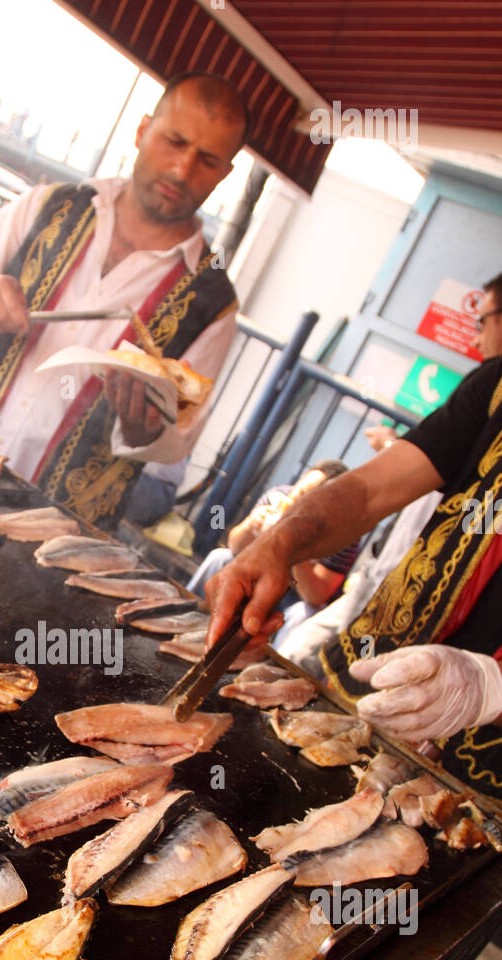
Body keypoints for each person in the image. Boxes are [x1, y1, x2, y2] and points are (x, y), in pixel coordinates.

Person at [0, 72, 247, 530]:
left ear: (225, 174)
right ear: (142, 132)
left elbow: (174, 442)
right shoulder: (52, 207)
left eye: (207, 160)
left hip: (53, 543)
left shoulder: (213, 303)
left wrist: (141, 425)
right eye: (174, 142)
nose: (182, 169)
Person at [205, 271, 502, 793]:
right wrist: (281, 542)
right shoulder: (495, 385)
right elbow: (369, 491)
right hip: (359, 688)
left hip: (478, 776)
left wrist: (490, 690)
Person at [188, 460, 355, 600]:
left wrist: (297, 550)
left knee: (302, 613)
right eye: (300, 491)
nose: (297, 500)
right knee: (220, 557)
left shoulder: (343, 533)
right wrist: (251, 525)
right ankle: (186, 611)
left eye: (309, 501)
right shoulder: (278, 496)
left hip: (293, 594)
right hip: (256, 573)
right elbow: (235, 547)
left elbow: (316, 597)